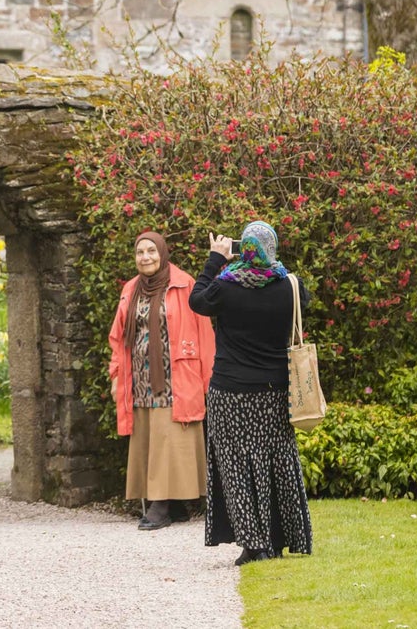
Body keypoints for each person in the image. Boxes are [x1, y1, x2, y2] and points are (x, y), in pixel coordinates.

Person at [188, 220, 313, 564]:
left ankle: (253, 544)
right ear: (272, 247)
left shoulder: (225, 288)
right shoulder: (291, 285)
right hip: (274, 391)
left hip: (229, 391)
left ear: (245, 248)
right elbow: (304, 310)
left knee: (235, 467)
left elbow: (196, 300)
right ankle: (281, 538)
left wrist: (216, 258)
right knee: (277, 461)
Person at [108, 231, 216, 530]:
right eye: (140, 252)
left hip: (177, 377)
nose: (146, 257)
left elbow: (205, 335)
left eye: (151, 251)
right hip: (140, 379)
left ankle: (161, 506)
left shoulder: (185, 284)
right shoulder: (131, 289)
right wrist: (117, 373)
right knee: (150, 437)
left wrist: (210, 381)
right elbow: (118, 337)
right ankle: (178, 503)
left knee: (170, 438)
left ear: (162, 253)